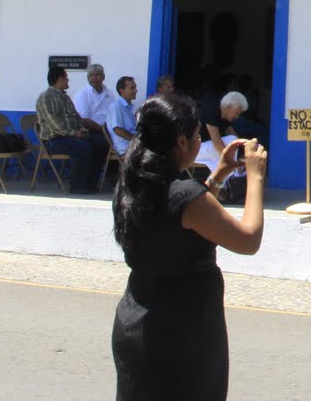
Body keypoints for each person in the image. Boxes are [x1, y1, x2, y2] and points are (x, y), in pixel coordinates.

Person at [111, 93, 267, 400]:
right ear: (181, 142)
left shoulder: (133, 184)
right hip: (182, 334)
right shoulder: (184, 196)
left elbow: (179, 221)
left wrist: (217, 176)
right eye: (197, 135)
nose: (199, 141)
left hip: (137, 324)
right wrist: (255, 177)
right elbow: (248, 240)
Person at [36, 65, 109, 194]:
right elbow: (54, 124)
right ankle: (77, 186)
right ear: (60, 79)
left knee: (101, 142)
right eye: (66, 78)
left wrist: (82, 131)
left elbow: (77, 118)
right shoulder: (46, 97)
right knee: (82, 147)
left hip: (72, 135)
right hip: (55, 139)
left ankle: (91, 183)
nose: (68, 81)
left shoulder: (66, 97)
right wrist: (75, 134)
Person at [73, 64, 113, 138]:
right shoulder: (82, 94)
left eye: (97, 75)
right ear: (88, 78)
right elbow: (83, 120)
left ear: (103, 77)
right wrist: (103, 131)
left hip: (110, 131)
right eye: (91, 75)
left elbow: (113, 114)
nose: (94, 78)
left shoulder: (109, 93)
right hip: (92, 132)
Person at [108, 76, 139, 157]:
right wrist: (137, 140)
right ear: (122, 91)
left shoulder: (127, 107)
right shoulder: (116, 106)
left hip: (133, 145)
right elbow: (118, 130)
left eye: (135, 87)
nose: (136, 90)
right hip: (126, 149)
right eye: (132, 88)